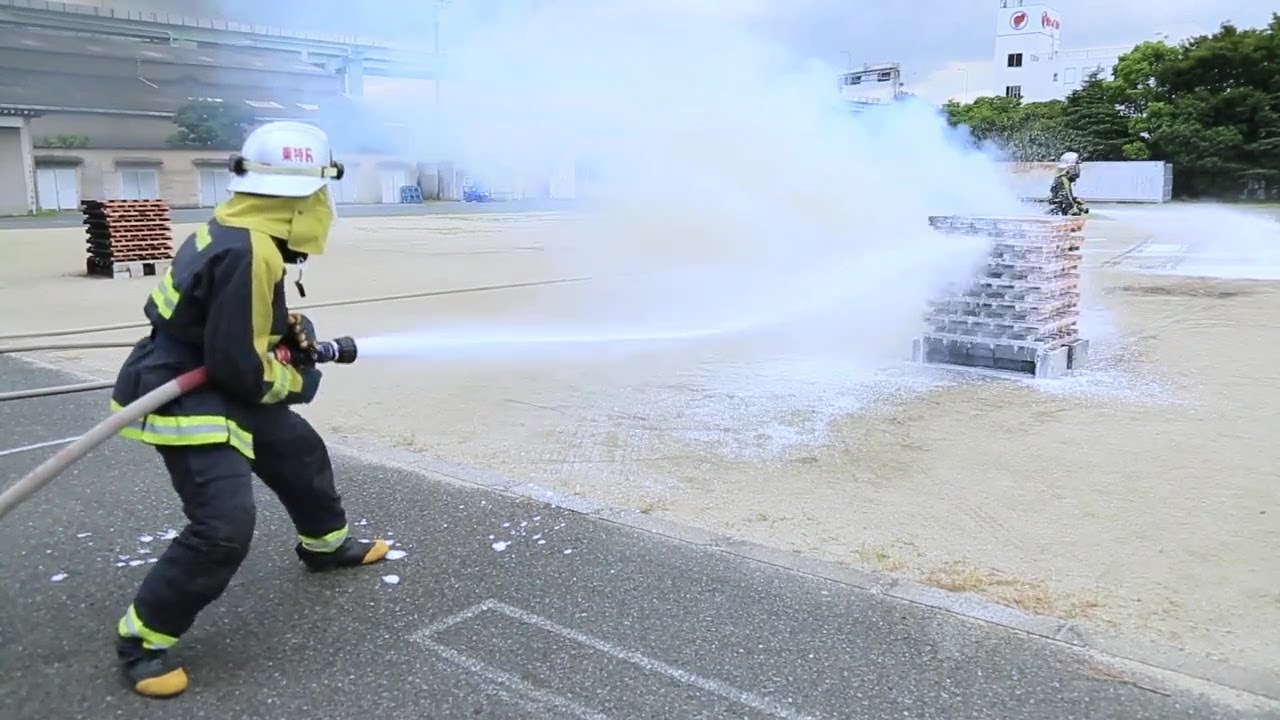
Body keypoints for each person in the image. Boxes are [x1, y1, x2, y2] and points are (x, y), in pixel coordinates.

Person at [108, 121, 389, 699]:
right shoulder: (251, 252)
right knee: (223, 524)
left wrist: (289, 327)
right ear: (308, 196)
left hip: (207, 368)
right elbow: (238, 364)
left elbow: (239, 318)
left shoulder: (242, 228)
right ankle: (143, 640)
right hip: (189, 389)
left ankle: (325, 545)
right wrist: (298, 377)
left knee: (296, 449)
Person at [1047, 151, 1088, 216]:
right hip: (1059, 215)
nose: (1078, 170)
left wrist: (1075, 200)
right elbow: (1066, 199)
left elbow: (1065, 197)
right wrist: (1075, 212)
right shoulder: (1063, 180)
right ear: (1069, 168)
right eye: (1076, 167)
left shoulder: (1062, 179)